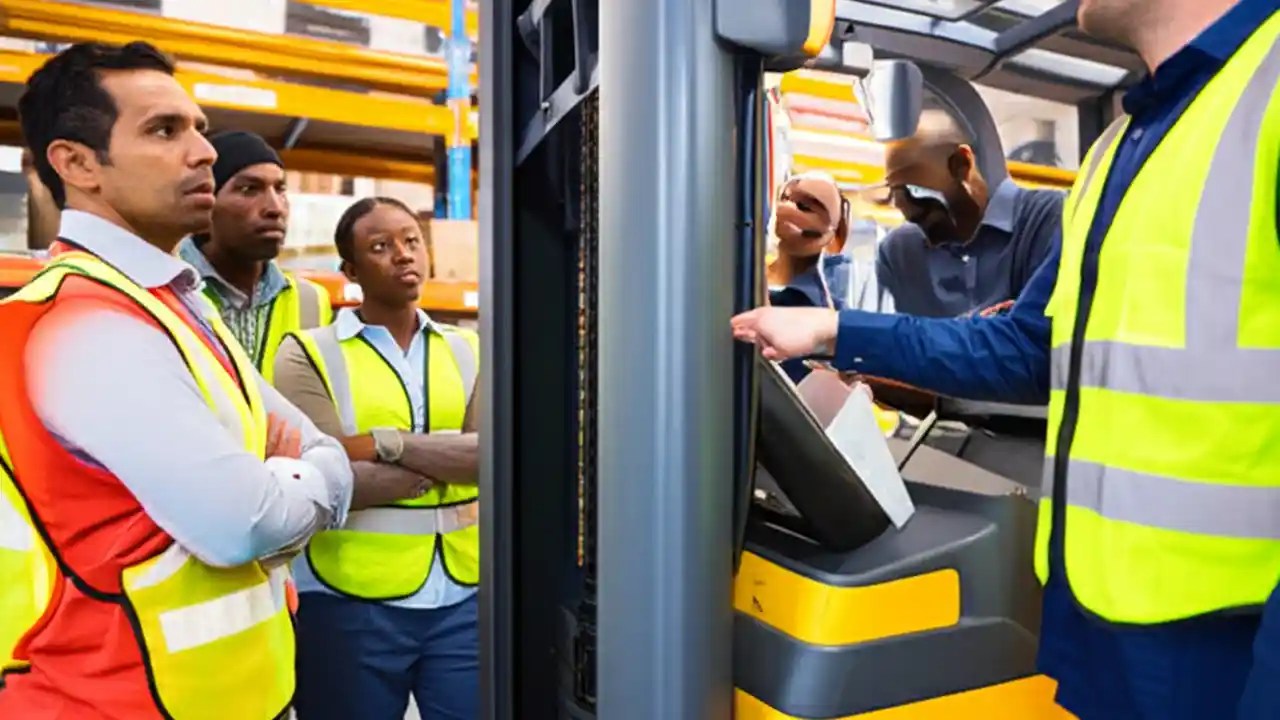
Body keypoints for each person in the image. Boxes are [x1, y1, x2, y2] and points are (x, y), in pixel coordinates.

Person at [732, 0, 1280, 718]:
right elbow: (1027, 346)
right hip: (1099, 620)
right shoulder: (1122, 145)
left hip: (1230, 647)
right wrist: (830, 328)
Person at [0, 41, 353, 719]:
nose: (205, 151)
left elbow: (311, 448)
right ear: (76, 163)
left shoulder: (167, 303)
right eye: (165, 130)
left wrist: (305, 469)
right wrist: (320, 478)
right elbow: (243, 521)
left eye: (198, 127)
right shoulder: (88, 327)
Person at [271, 197, 480, 720]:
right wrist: (447, 459)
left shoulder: (470, 348)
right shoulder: (307, 352)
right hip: (348, 601)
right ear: (351, 270)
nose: (403, 255)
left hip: (465, 596)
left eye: (411, 241)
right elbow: (326, 473)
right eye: (380, 247)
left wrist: (387, 443)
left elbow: (493, 460)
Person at [870, 108, 1062, 319]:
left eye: (914, 191)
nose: (907, 211)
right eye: (894, 192)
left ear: (962, 165)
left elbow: (1030, 334)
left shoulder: (1047, 220)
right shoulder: (901, 252)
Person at [177, 130, 332, 381]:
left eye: (280, 189)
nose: (275, 208)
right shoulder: (168, 289)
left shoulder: (311, 301)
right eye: (249, 189)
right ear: (206, 205)